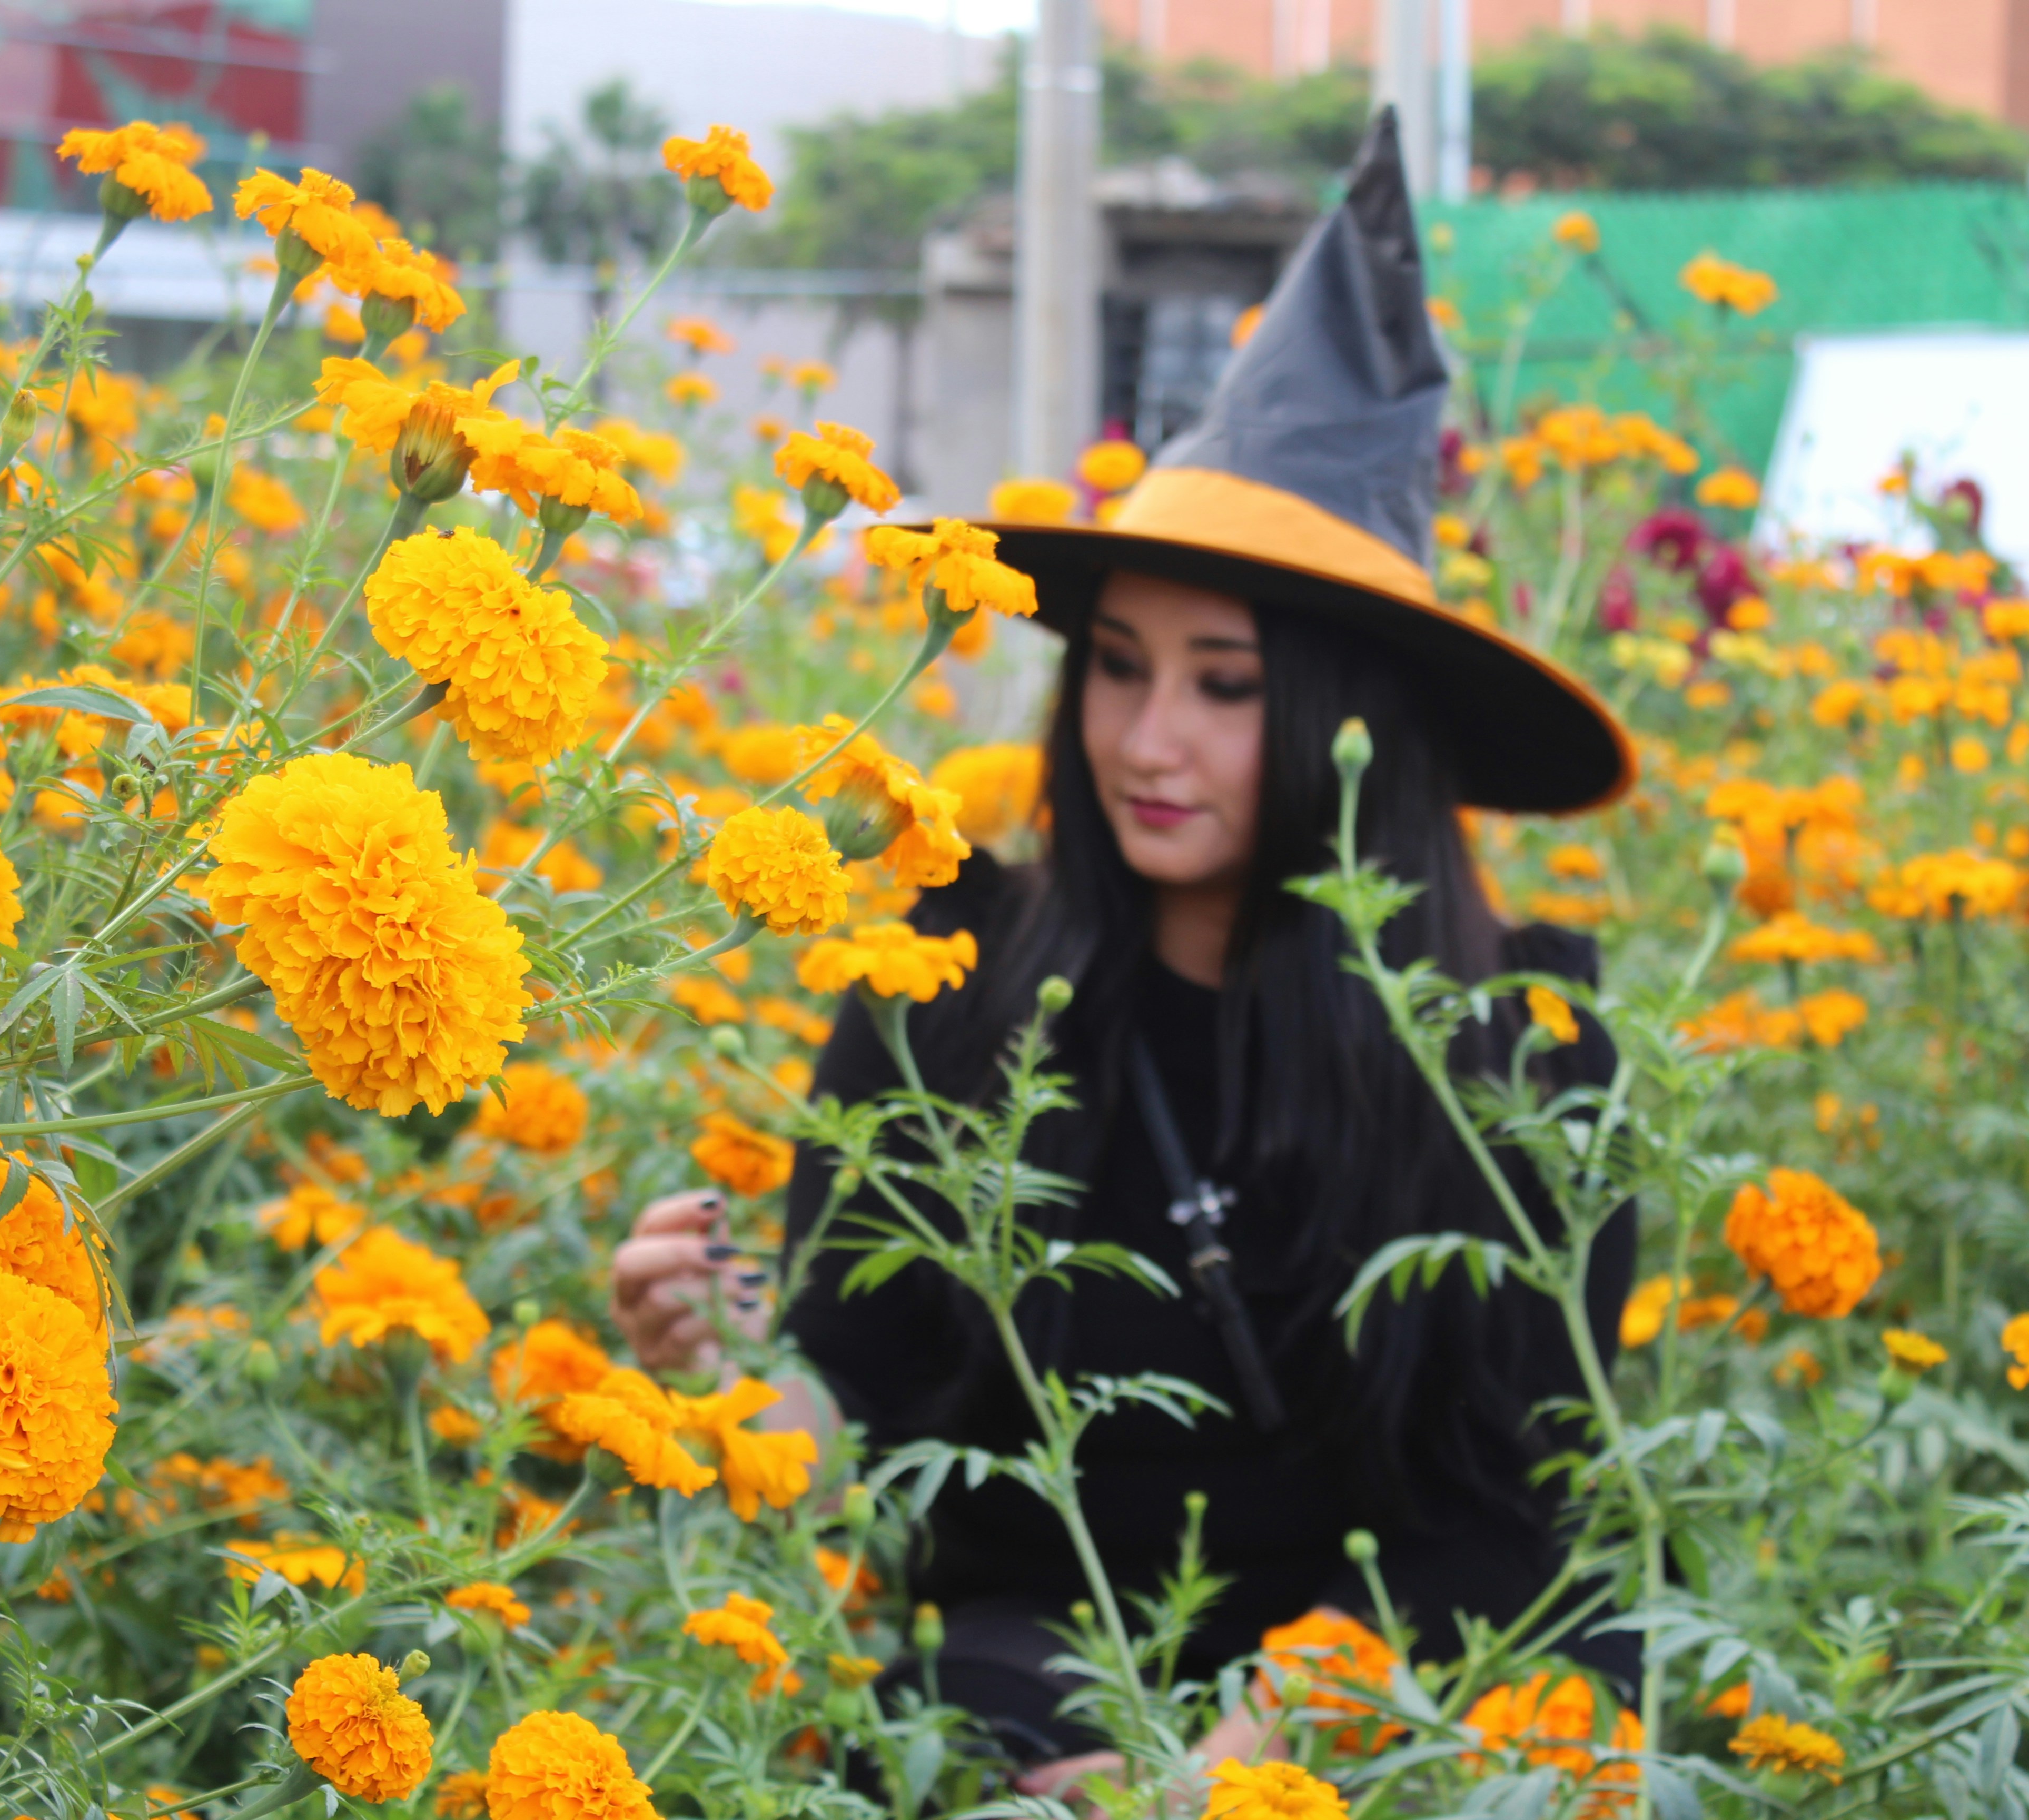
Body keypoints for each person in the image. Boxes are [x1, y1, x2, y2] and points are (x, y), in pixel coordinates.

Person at [609, 110, 1639, 1788]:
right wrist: (717, 1363)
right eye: (1121, 665)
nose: (1149, 739)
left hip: (1391, 1720)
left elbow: (1506, 1523)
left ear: (1343, 722)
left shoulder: (1519, 1055)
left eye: (1226, 686)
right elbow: (863, 1418)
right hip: (1016, 1709)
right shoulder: (950, 984)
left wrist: (1222, 1772)